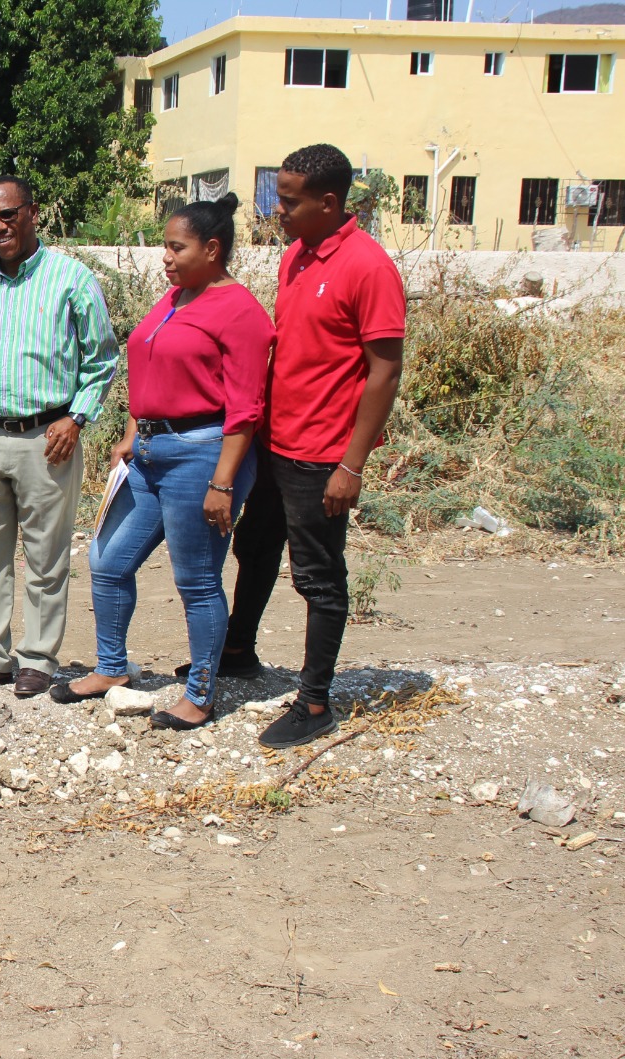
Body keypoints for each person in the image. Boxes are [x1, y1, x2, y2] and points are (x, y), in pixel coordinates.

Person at [49, 195, 273, 729]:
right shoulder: (175, 298)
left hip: (202, 455)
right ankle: (111, 668)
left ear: (212, 249)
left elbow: (246, 408)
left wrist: (223, 483)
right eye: (164, 247)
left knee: (196, 580)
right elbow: (147, 367)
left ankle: (200, 694)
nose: (166, 257)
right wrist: (132, 433)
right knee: (107, 561)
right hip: (150, 453)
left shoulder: (240, 312)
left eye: (177, 247)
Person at [222, 144, 405, 749]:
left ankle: (315, 701)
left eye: (288, 201)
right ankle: (238, 652)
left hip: (322, 452)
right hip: (275, 440)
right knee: (254, 547)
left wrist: (352, 464)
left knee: (318, 578)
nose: (277, 211)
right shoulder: (297, 254)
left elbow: (384, 371)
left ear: (329, 203)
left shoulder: (368, 267)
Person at [0, 175, 119, 699]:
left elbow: (102, 359)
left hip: (48, 438)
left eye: (9, 214)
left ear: (33, 213)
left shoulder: (71, 279)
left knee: (46, 556)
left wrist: (78, 417)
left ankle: (38, 658)